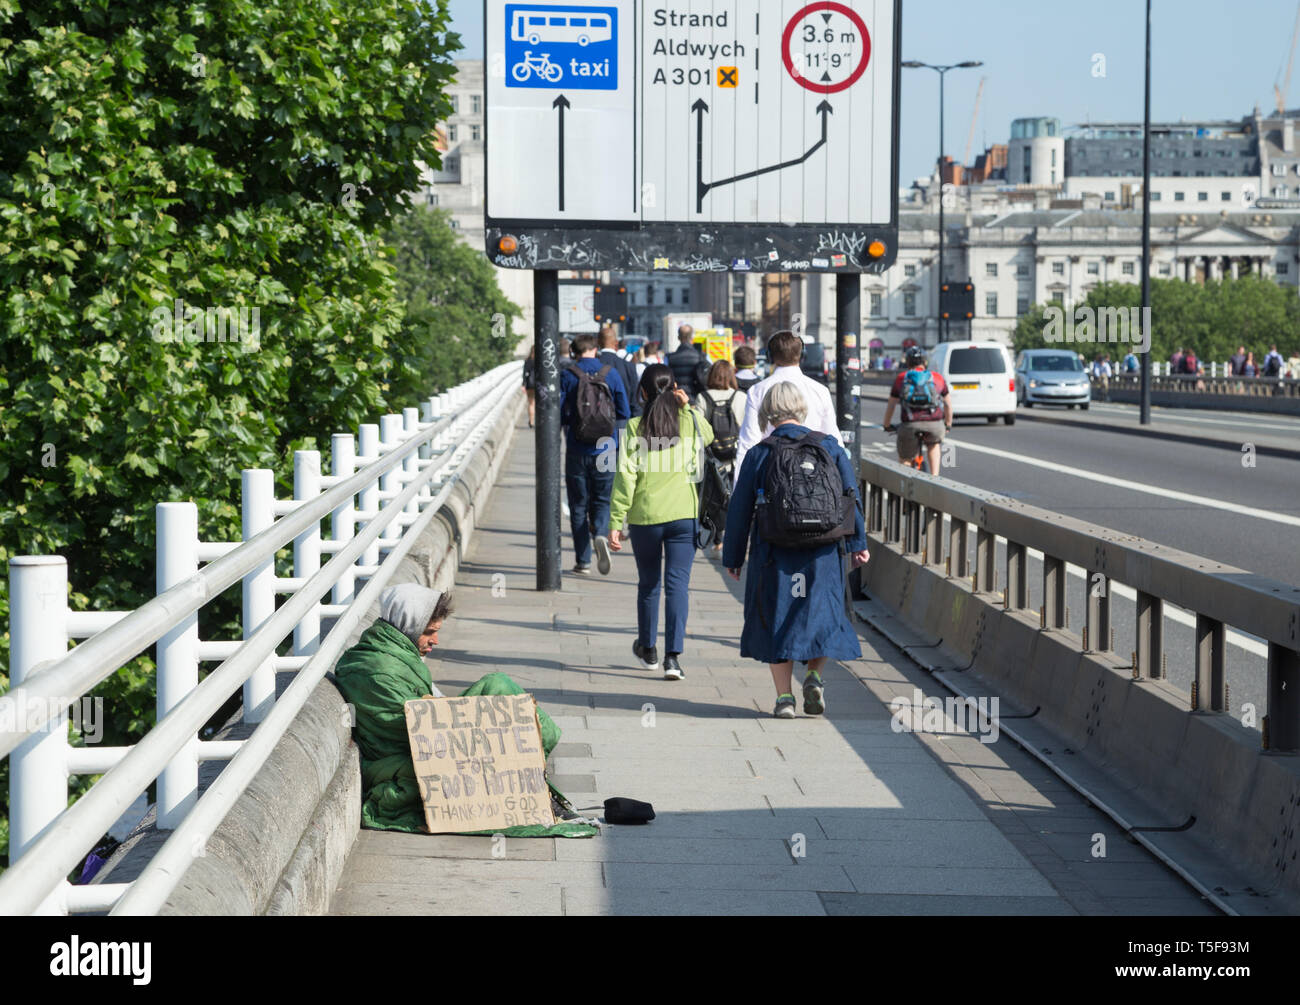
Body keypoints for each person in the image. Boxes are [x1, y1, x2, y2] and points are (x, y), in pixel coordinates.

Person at [332, 584, 598, 837]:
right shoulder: (378, 671)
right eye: (429, 632)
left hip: (415, 746)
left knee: (498, 690)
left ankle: (530, 777)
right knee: (497, 694)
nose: (435, 640)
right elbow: (413, 730)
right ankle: (529, 782)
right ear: (408, 627)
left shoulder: (392, 655)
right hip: (399, 761)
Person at [722, 383, 869, 719]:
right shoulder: (829, 447)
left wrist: (732, 558)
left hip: (774, 550)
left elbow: (740, 508)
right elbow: (850, 495)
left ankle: (784, 698)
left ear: (768, 412)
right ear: (802, 409)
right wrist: (858, 544)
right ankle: (814, 676)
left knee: (777, 617)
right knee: (824, 615)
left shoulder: (761, 453)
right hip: (823, 548)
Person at [607, 364, 713, 681]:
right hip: (684, 516)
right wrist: (690, 407)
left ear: (642, 393)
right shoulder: (689, 423)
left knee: (649, 584)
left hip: (645, 518)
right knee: (678, 586)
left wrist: (615, 520)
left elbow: (625, 478)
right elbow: (709, 436)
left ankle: (648, 648)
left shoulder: (636, 428)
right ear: (676, 389)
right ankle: (673, 658)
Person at [561, 333, 629, 576]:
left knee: (578, 505)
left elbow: (558, 413)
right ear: (595, 350)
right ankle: (600, 533)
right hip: (606, 447)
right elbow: (623, 411)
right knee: (602, 500)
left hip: (577, 448)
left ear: (574, 352)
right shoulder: (610, 373)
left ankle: (583, 560)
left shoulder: (568, 374)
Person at [734, 330, 841, 474]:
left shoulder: (758, 390)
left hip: (772, 473)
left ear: (769, 357)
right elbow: (833, 439)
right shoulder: (820, 390)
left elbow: (749, 442)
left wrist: (739, 490)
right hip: (813, 476)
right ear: (802, 356)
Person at [698, 359, 747, 551]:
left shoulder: (703, 397)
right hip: (734, 458)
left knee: (715, 498)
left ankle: (717, 538)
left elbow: (699, 431)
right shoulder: (740, 397)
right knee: (735, 499)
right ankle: (733, 538)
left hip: (712, 459)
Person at [882, 346, 952, 476]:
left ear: (907, 362)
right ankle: (934, 478)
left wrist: (886, 425)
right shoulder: (937, 377)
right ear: (925, 362)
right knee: (933, 444)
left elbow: (891, 405)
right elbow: (947, 403)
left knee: (905, 458)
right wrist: (948, 424)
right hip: (935, 424)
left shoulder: (901, 378)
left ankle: (905, 486)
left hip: (910, 424)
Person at [598, 325, 641, 420]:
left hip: (597, 421)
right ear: (616, 343)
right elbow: (634, 401)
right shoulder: (629, 366)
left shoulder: (594, 364)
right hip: (622, 421)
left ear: (598, 343)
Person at [666, 325, 710, 402]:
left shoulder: (669, 358)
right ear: (692, 337)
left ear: (678, 337)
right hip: (696, 399)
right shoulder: (702, 356)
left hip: (677, 400)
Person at [521, 344, 536, 428]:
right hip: (539, 385)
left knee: (531, 404)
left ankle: (531, 421)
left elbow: (524, 373)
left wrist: (523, 384)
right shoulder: (541, 360)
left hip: (530, 384)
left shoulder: (528, 360)